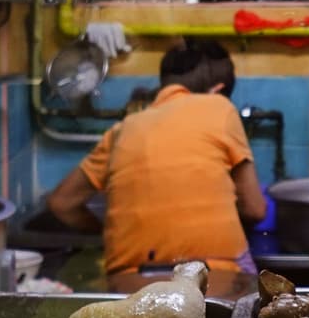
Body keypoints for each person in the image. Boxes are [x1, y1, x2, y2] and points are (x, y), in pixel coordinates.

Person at [45, 39, 269, 290]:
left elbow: (61, 203)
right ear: (217, 90)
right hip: (215, 278)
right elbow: (255, 209)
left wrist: (109, 231)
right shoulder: (219, 107)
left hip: (131, 285)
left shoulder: (123, 129)